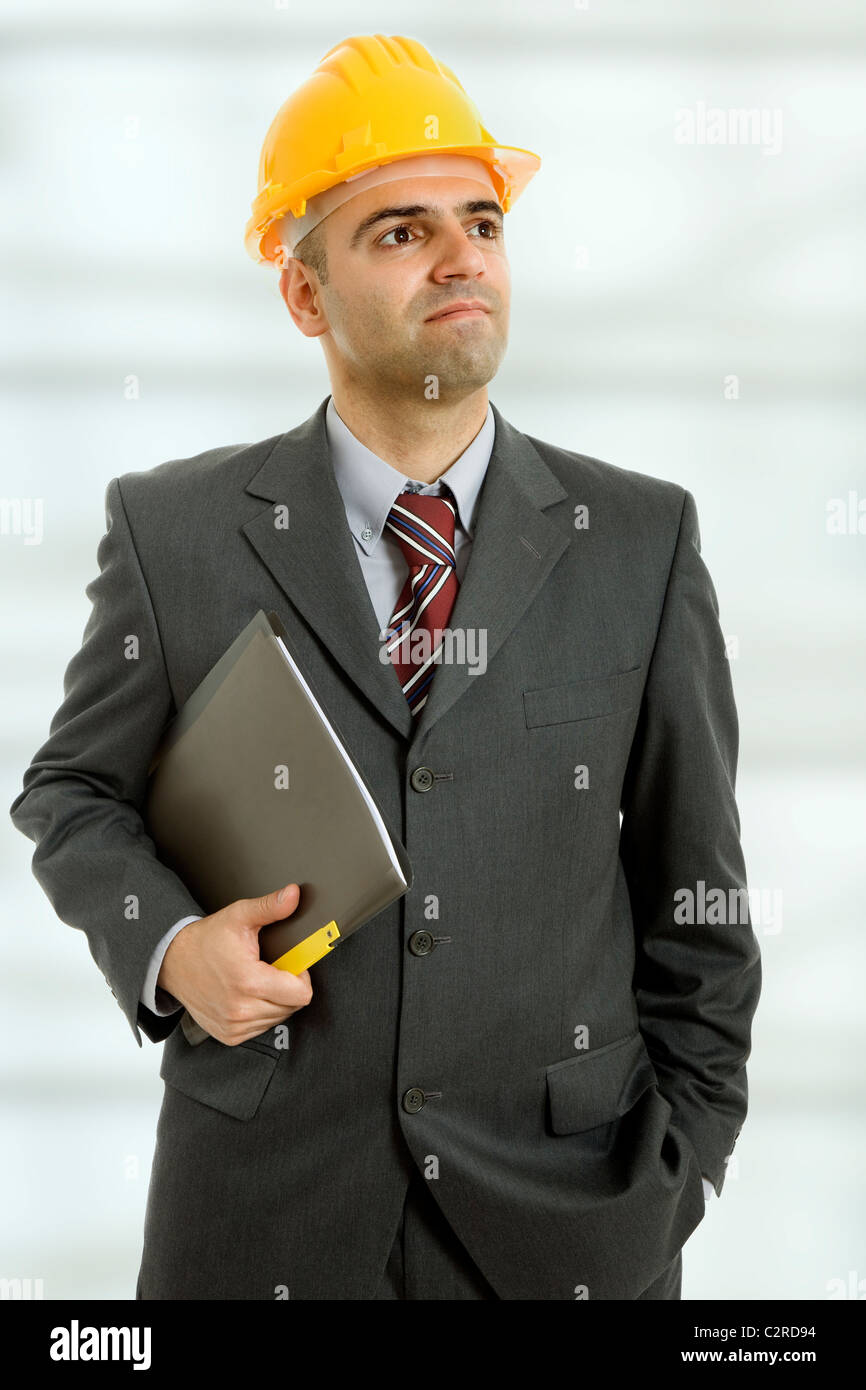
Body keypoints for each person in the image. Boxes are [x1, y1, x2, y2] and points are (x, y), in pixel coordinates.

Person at [9, 33, 761, 1300]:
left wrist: (673, 1177)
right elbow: (70, 791)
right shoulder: (174, 532)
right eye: (401, 232)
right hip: (260, 1225)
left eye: (481, 220)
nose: (463, 255)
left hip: (567, 1226)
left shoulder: (636, 539)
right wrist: (171, 947)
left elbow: (702, 904)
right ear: (304, 296)